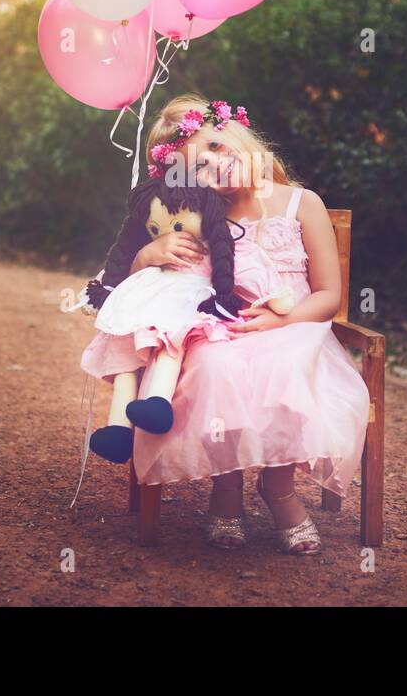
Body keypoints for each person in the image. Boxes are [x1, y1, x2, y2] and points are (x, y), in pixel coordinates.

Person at [126, 93, 371, 554]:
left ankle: (277, 488)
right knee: (217, 371)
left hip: (296, 328)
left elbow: (329, 297)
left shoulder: (303, 203)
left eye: (216, 148)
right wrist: (147, 254)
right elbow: (141, 281)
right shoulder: (196, 220)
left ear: (237, 134)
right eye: (197, 167)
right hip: (227, 330)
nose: (215, 166)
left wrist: (282, 322)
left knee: (284, 370)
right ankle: (226, 488)